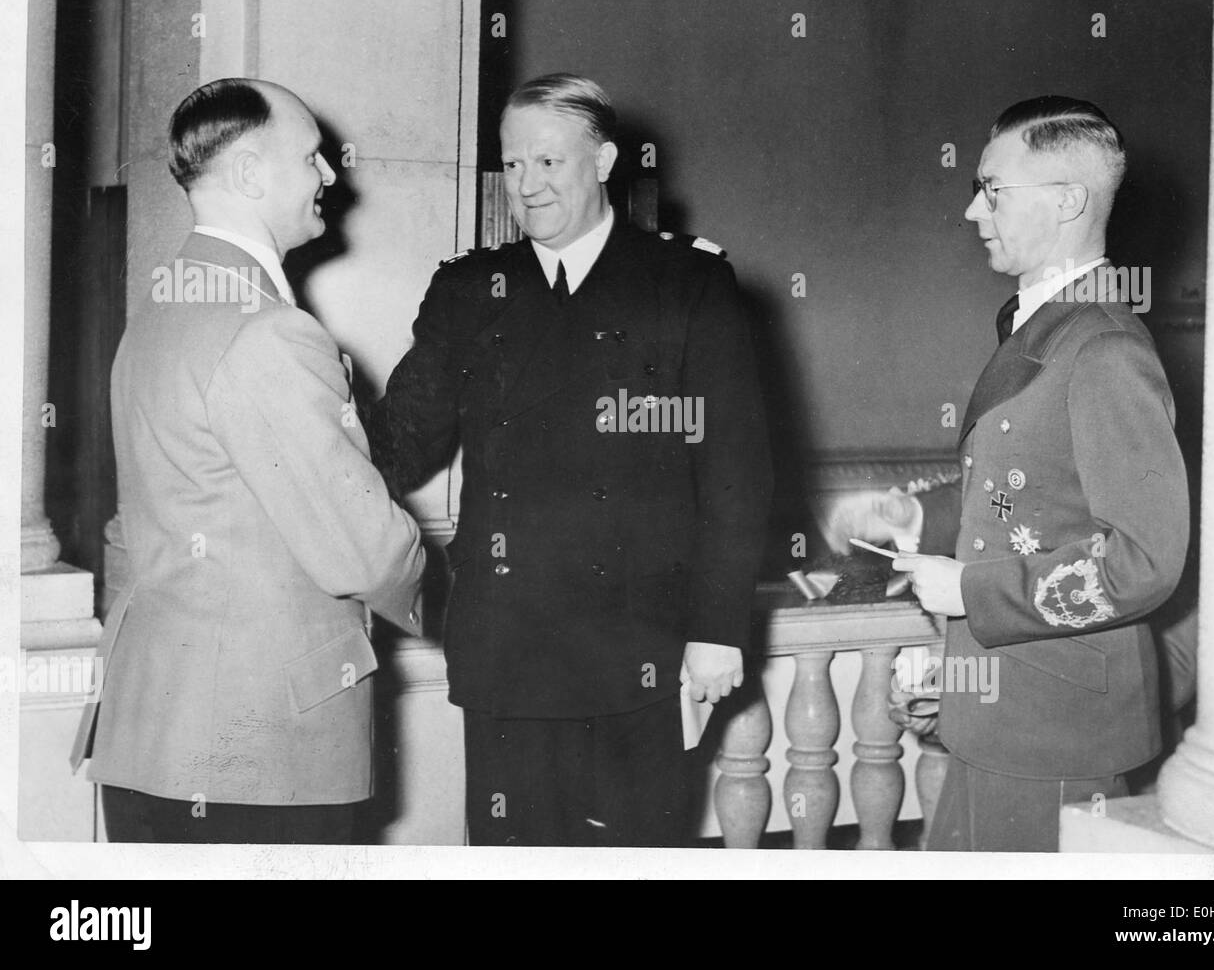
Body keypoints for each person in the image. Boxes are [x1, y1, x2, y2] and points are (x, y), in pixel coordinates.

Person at [368, 73, 772, 847]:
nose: (527, 185)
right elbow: (400, 443)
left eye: (548, 163)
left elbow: (736, 471)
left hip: (640, 650)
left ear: (605, 160)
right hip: (507, 649)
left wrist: (718, 628)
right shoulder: (467, 290)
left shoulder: (687, 283)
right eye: (513, 166)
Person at [825, 96, 1189, 851]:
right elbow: (1027, 491)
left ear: (1067, 200)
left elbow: (1145, 559)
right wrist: (920, 518)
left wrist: (968, 590)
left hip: (1057, 730)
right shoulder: (1041, 324)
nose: (971, 212)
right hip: (1004, 717)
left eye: (992, 189)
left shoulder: (1103, 347)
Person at [70, 78, 426, 844]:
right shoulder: (270, 332)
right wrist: (454, 604)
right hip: (262, 752)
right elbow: (365, 552)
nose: (331, 175)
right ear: (251, 174)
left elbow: (131, 531)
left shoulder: (153, 320)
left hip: (147, 736)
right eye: (312, 158)